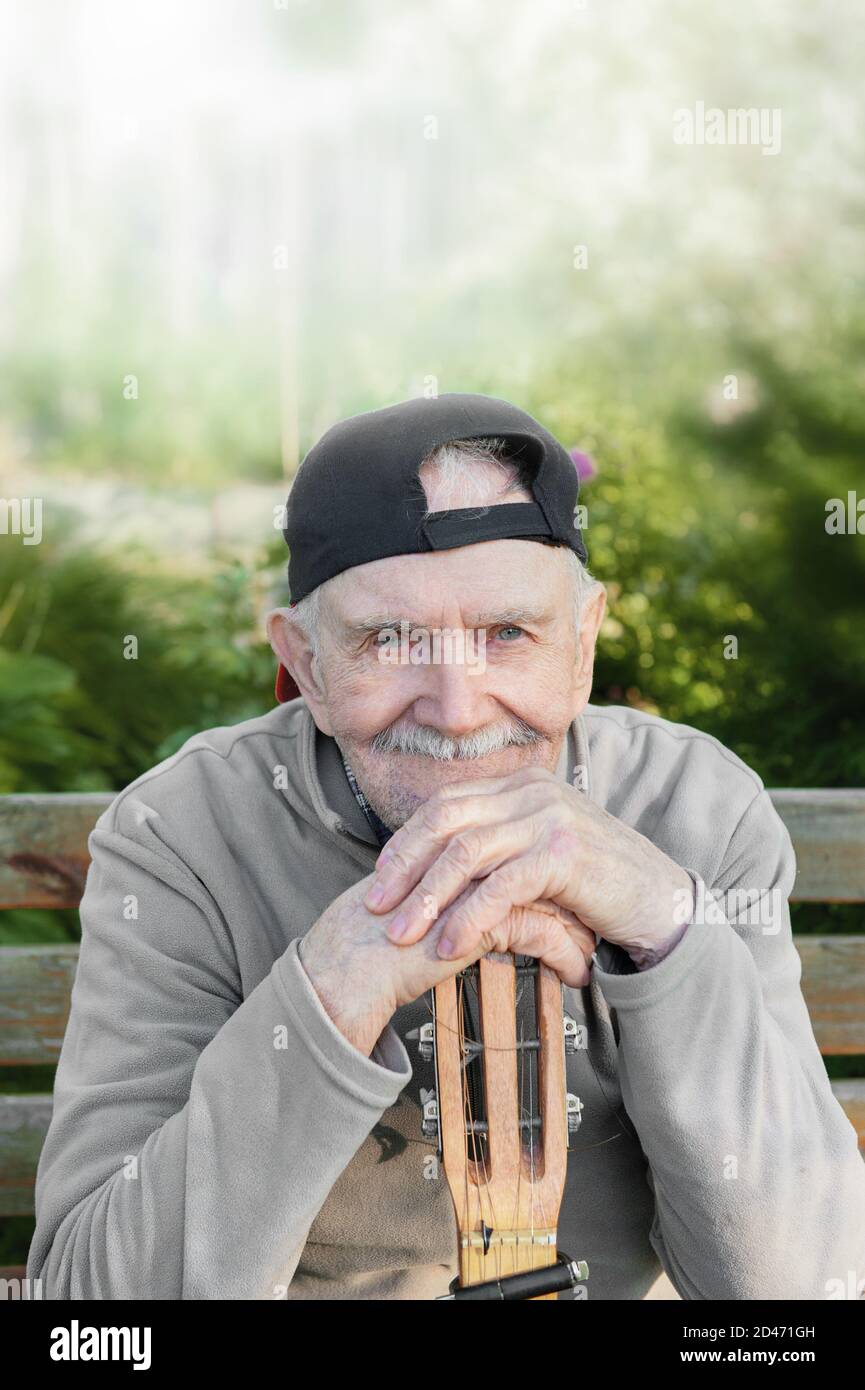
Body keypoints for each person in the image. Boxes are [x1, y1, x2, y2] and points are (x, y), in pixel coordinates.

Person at [27, 393, 865, 1300]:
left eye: (508, 634)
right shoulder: (183, 839)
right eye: (389, 640)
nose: (457, 709)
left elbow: (798, 1304)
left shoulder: (697, 811)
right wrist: (333, 988)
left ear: (580, 647)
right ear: (305, 663)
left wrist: (670, 935)